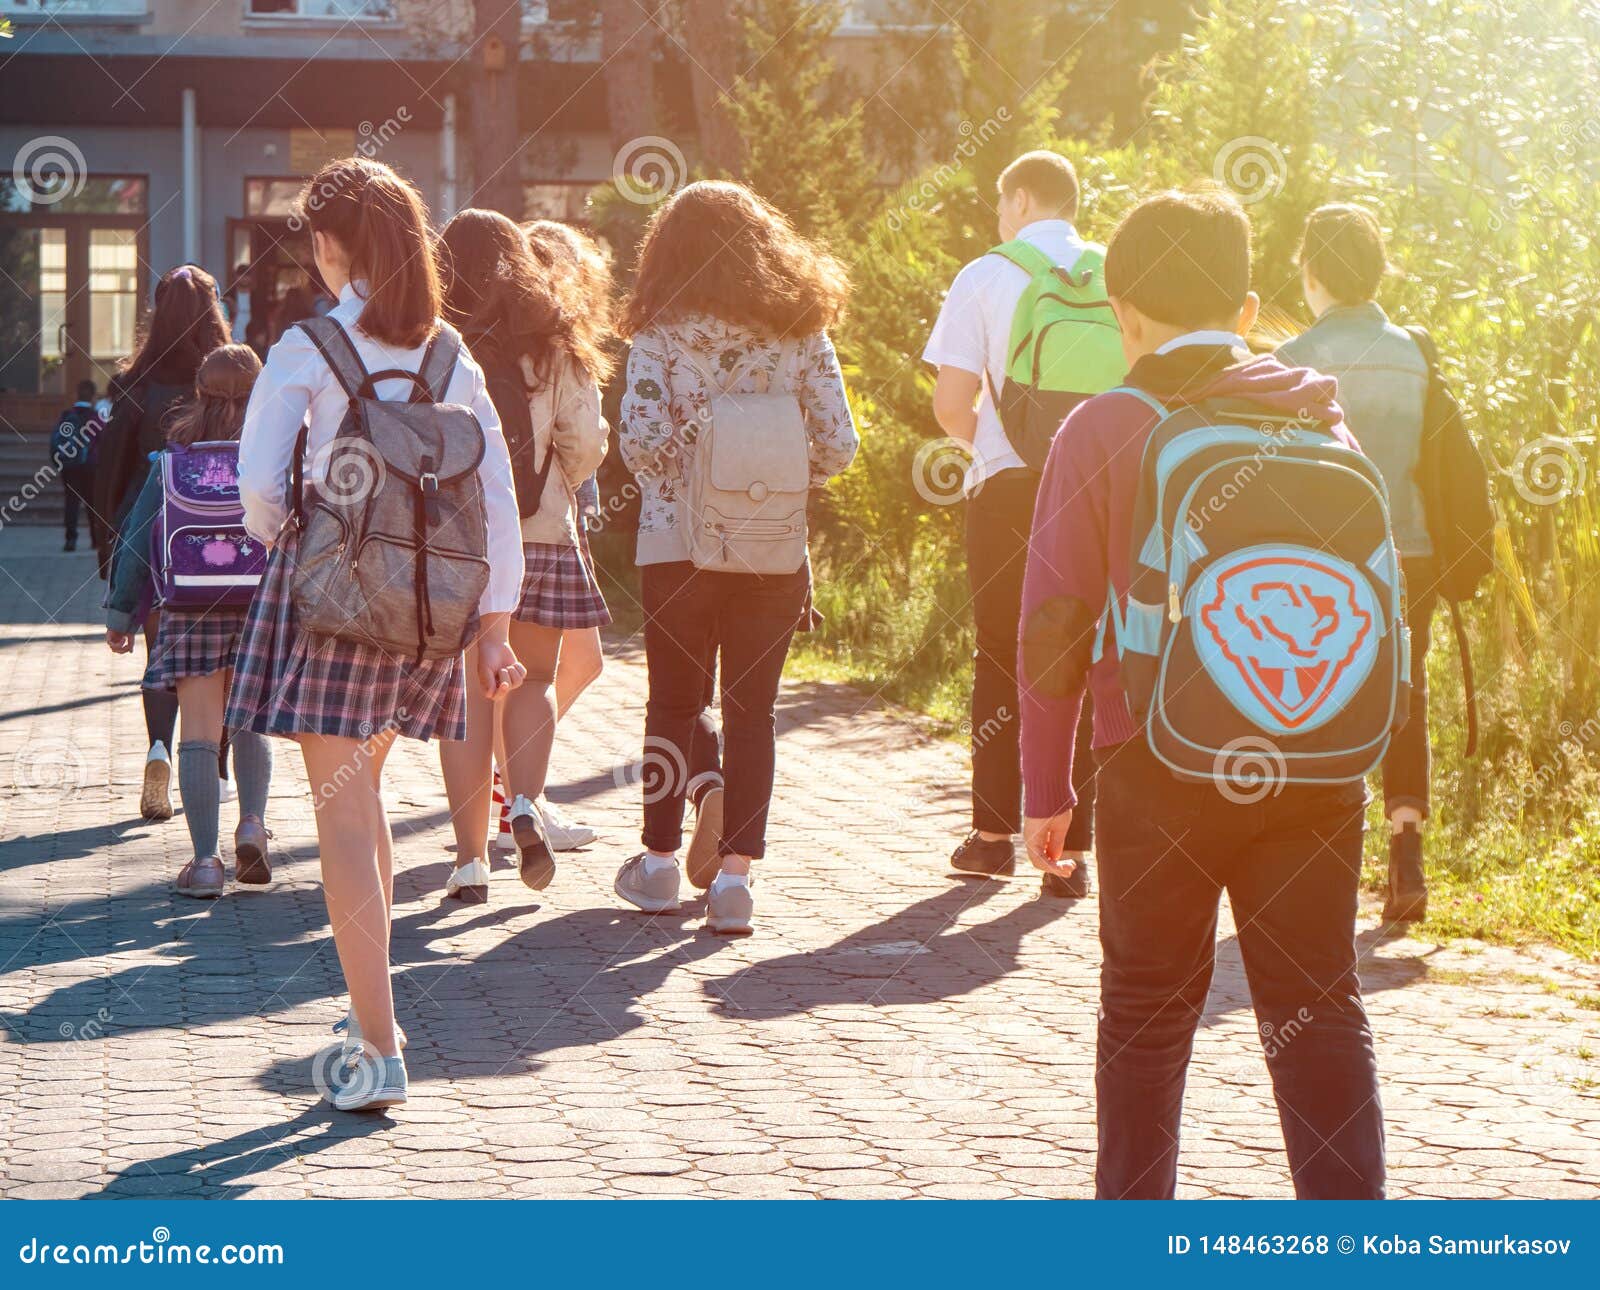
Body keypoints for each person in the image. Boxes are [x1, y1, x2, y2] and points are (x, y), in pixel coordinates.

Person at [1019, 187, 1385, 1198]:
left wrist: (1045, 790)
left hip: (1155, 764)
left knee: (1143, 1014)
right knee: (1319, 1006)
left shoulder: (1101, 427)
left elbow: (1054, 625)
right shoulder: (1317, 415)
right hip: (1311, 756)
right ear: (1247, 307)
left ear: (1121, 309)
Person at [226, 157, 525, 1112]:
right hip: (429, 612)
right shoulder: (450, 356)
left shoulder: (310, 346)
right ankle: (373, 1018)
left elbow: (261, 487)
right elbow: (498, 496)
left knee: (343, 816)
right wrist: (495, 620)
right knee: (370, 802)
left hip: (333, 602)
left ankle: (378, 1047)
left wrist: (291, 545)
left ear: (329, 245)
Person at [614, 180, 858, 935]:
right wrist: (771, 478)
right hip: (773, 551)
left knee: (674, 703)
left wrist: (701, 456)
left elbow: (641, 447)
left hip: (676, 546)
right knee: (754, 716)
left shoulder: (659, 334)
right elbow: (841, 446)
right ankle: (735, 884)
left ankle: (656, 869)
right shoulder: (802, 331)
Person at [923, 151, 1107, 898]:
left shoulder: (986, 273)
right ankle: (1076, 846)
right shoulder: (1111, 269)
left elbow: (949, 403)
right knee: (1087, 652)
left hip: (1008, 487)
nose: (999, 220)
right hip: (1098, 489)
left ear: (1022, 199)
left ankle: (995, 834)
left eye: (1002, 205)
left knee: (1002, 651)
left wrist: (993, 447)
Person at [434, 209, 613, 903]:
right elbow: (584, 445)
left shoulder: (437, 342)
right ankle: (528, 805)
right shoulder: (556, 343)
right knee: (533, 676)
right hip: (539, 532)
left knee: (467, 698)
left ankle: (471, 859)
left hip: (458, 542)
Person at [1278, 204, 1439, 922]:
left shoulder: (1288, 361)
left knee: (1315, 690)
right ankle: (1406, 853)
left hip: (1323, 558)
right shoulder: (1416, 352)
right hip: (1409, 549)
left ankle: (1313, 858)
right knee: (1405, 694)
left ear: (1311, 270)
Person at [104, 344, 275, 898]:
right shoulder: (272, 460)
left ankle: (205, 864)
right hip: (259, 606)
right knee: (248, 720)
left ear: (198, 395)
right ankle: (252, 824)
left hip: (189, 604)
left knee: (199, 735)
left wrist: (122, 613)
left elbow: (135, 539)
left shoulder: (173, 462)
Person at [95, 263, 231, 823]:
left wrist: (111, 548)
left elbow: (109, 471)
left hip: (150, 537)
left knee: (163, 655)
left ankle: (158, 750)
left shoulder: (131, 383)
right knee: (222, 658)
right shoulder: (232, 379)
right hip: (223, 538)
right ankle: (217, 767)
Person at [51, 379, 102, 554]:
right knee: (92, 504)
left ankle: (70, 540)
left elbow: (56, 441)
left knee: (71, 503)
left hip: (70, 466)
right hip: (91, 467)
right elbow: (104, 444)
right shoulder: (97, 417)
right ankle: (96, 540)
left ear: (76, 394)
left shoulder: (67, 415)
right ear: (93, 396)